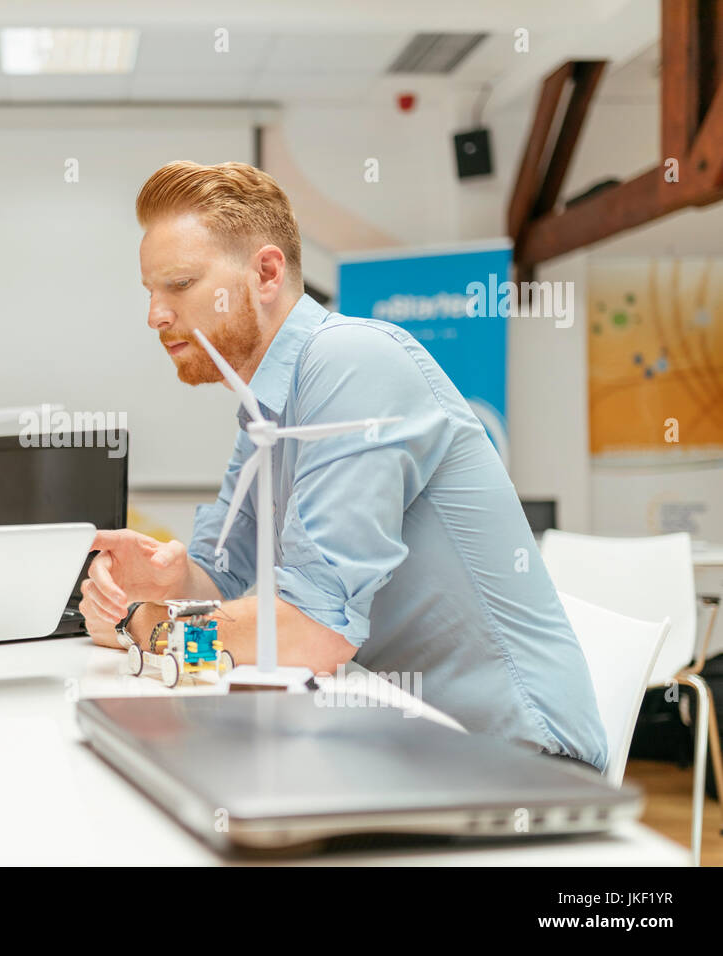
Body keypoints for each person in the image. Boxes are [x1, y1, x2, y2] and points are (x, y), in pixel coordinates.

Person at [79, 161, 608, 773]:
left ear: (266, 273)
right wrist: (163, 587)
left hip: (516, 759)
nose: (156, 316)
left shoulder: (352, 363)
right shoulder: (265, 407)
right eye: (150, 292)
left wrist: (147, 625)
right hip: (397, 733)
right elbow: (219, 574)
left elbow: (311, 632)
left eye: (179, 284)